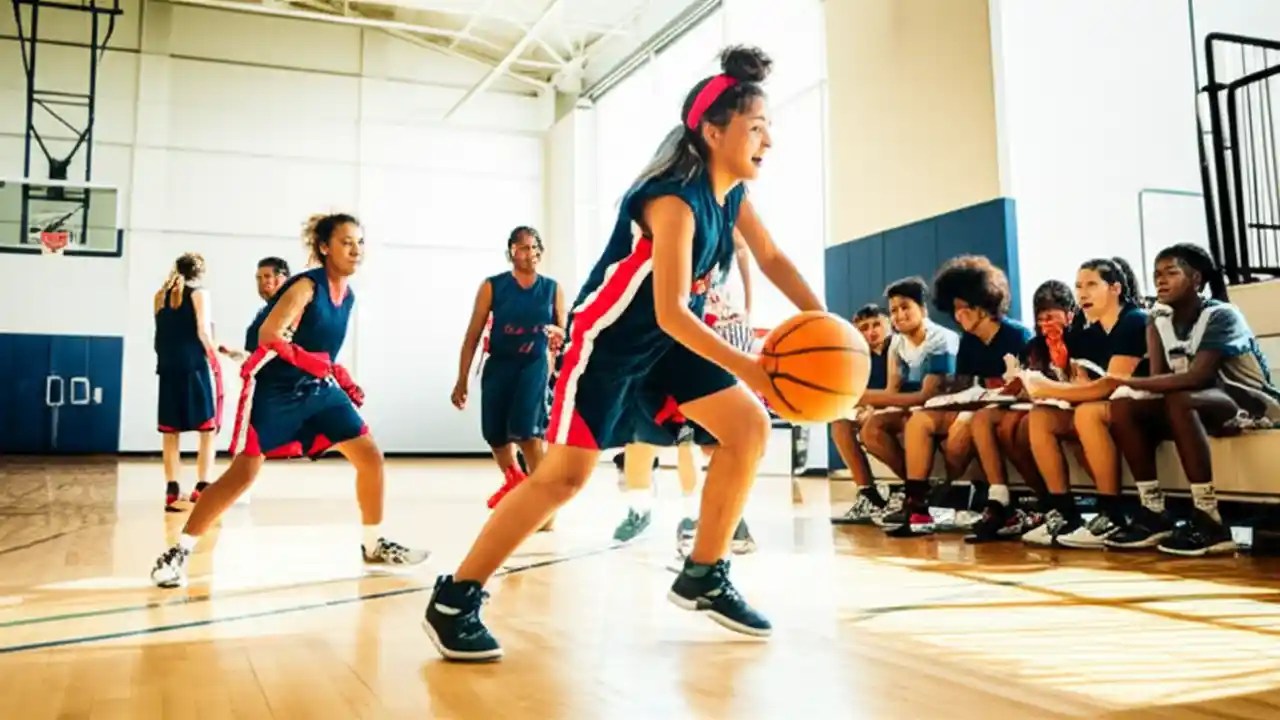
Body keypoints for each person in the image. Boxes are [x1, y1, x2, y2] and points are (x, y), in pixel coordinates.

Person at [423, 45, 824, 662]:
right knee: (564, 478)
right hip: (605, 344)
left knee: (746, 427)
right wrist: (750, 366)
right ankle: (456, 598)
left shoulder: (732, 196)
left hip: (667, 343)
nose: (768, 139)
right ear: (713, 132)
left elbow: (770, 258)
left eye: (770, 127)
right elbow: (669, 309)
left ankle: (704, 572)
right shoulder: (671, 199)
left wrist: (821, 320)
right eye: (757, 127)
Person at [149, 213, 429, 588]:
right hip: (276, 390)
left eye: (360, 242)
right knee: (242, 475)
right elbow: (268, 334)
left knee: (370, 457)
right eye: (347, 242)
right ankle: (178, 552)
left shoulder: (348, 296)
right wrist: (309, 362)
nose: (356, 250)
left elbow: (321, 350)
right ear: (325, 247)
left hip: (318, 389)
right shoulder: (305, 286)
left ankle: (372, 544)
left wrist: (340, 375)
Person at [1106, 243, 1280, 556]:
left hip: (1248, 404)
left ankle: (1209, 518)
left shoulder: (1222, 315)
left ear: (1196, 279)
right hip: (1194, 405)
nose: (1161, 280)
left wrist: (1130, 380)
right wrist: (1152, 327)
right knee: (1123, 406)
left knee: (1180, 399)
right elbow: (1159, 380)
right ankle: (1154, 511)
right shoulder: (1160, 319)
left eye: (1171, 273)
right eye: (1157, 274)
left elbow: (1199, 377)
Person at [614, 244, 758, 555]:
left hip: (705, 359)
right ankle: (642, 510)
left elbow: (747, 251)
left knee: (707, 443)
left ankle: (710, 516)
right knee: (640, 443)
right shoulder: (656, 272)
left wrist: (749, 305)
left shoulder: (722, 295)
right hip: (659, 362)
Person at [883, 256, 1031, 538]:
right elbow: (965, 388)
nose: (958, 316)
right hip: (978, 404)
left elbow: (1026, 388)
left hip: (1007, 408)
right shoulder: (969, 342)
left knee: (964, 431)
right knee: (920, 420)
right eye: (955, 310)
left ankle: (989, 502)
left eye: (964, 309)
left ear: (984, 304)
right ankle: (917, 506)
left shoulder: (1018, 335)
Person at [1020, 259, 1149, 548]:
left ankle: (1111, 512)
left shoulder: (1134, 320)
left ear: (1115, 288)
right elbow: (1082, 381)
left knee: (1088, 413)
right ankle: (1065, 512)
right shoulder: (1088, 333)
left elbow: (1113, 384)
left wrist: (1049, 388)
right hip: (1109, 405)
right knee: (1041, 417)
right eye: (1079, 286)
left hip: (1142, 404)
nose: (1083, 293)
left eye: (1091, 284)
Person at [451, 226, 565, 516]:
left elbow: (565, 333)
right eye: (524, 248)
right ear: (511, 252)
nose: (531, 254)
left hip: (534, 365)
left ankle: (544, 506)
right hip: (500, 364)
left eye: (535, 247)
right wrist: (461, 379)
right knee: (495, 433)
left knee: (528, 432)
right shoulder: (493, 286)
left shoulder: (552, 289)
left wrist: (558, 334)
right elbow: (472, 334)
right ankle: (515, 481)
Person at [962, 280, 1079, 543]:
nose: (1045, 323)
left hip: (1063, 406)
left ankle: (1058, 505)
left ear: (1069, 314)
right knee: (989, 420)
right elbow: (1023, 383)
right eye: (1040, 318)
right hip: (1034, 403)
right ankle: (1000, 497)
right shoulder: (1034, 347)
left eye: (1051, 316)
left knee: (1022, 426)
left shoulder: (1078, 339)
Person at [153, 252, 221, 511]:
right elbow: (203, 331)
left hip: (168, 368)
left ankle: (172, 489)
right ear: (199, 272)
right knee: (207, 430)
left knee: (171, 432)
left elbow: (159, 335)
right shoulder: (198, 294)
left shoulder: (160, 296)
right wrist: (214, 356)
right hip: (193, 366)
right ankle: (203, 487)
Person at [829, 304, 892, 524]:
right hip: (872, 408)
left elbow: (899, 391)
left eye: (876, 324)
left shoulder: (898, 348)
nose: (871, 331)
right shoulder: (858, 357)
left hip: (899, 405)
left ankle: (911, 491)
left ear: (888, 323)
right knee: (839, 422)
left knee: (871, 424)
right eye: (864, 328)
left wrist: (871, 405)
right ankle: (867, 492)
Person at [217, 257, 292, 364]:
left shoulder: (290, 310)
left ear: (280, 280)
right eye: (258, 278)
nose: (262, 282)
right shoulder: (263, 312)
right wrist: (237, 355)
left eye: (267, 277)